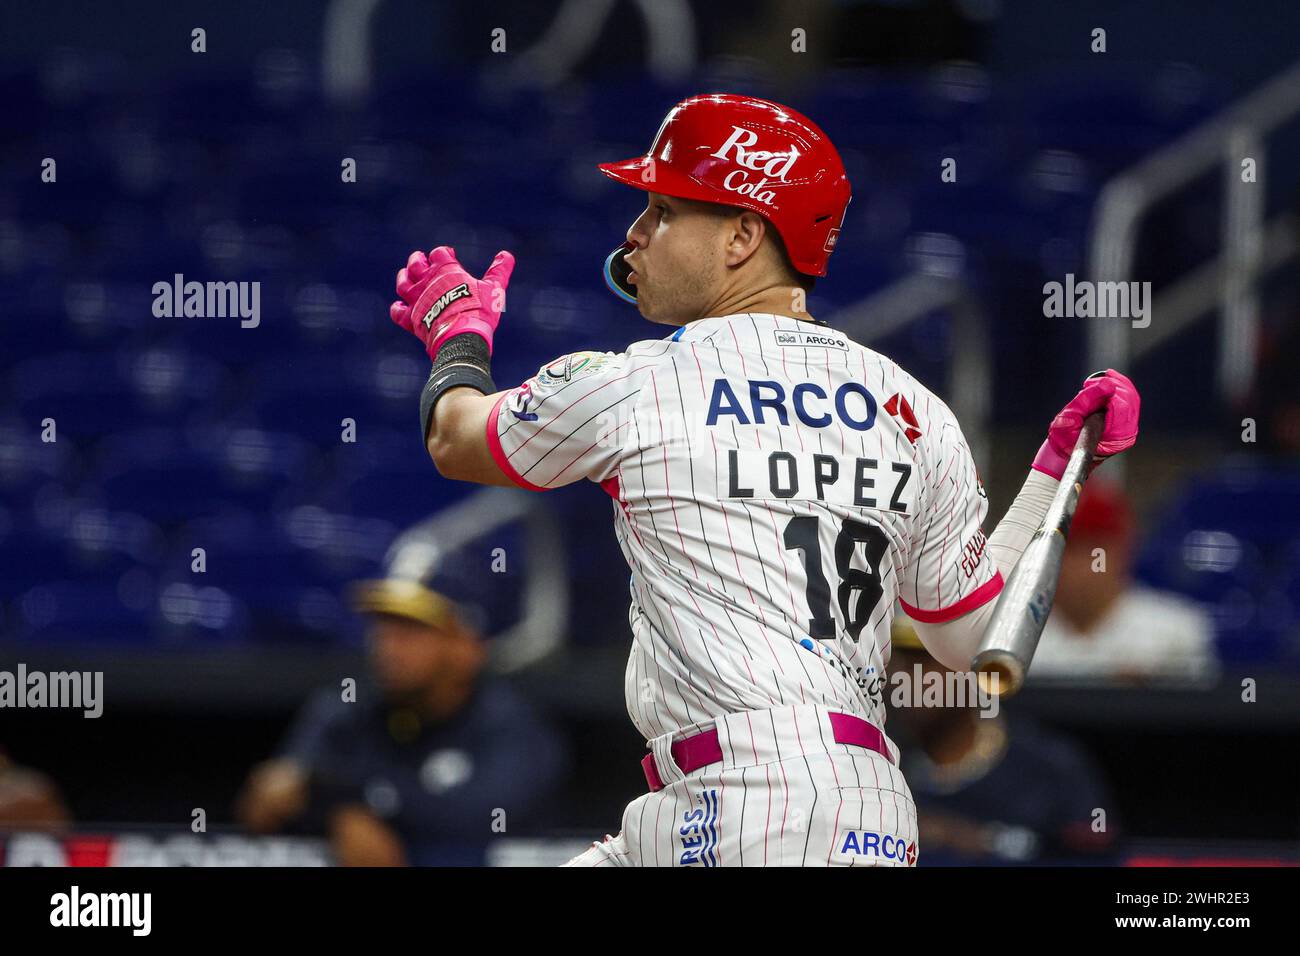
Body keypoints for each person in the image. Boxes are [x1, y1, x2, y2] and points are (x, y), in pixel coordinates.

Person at [388, 93, 1141, 866]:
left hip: (759, 800)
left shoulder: (641, 381)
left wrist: (457, 332)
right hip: (829, 801)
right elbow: (970, 636)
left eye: (663, 209)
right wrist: (1051, 479)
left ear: (745, 234)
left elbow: (454, 437)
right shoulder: (913, 409)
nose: (634, 233)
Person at [236, 574, 569, 866]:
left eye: (411, 632)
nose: (389, 648)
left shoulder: (509, 722)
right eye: (384, 629)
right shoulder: (345, 709)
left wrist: (348, 801)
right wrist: (342, 815)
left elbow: (478, 821)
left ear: (466, 646)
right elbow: (267, 805)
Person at [886, 621, 1119, 864]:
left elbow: (1097, 858)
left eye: (922, 662)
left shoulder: (1050, 768)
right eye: (897, 661)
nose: (903, 678)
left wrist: (981, 841)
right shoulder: (872, 763)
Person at [1030, 478, 1218, 684]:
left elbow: (1201, 713)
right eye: (1069, 548)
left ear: (1124, 548)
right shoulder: (1012, 633)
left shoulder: (1176, 631)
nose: (1079, 564)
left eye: (1094, 547)